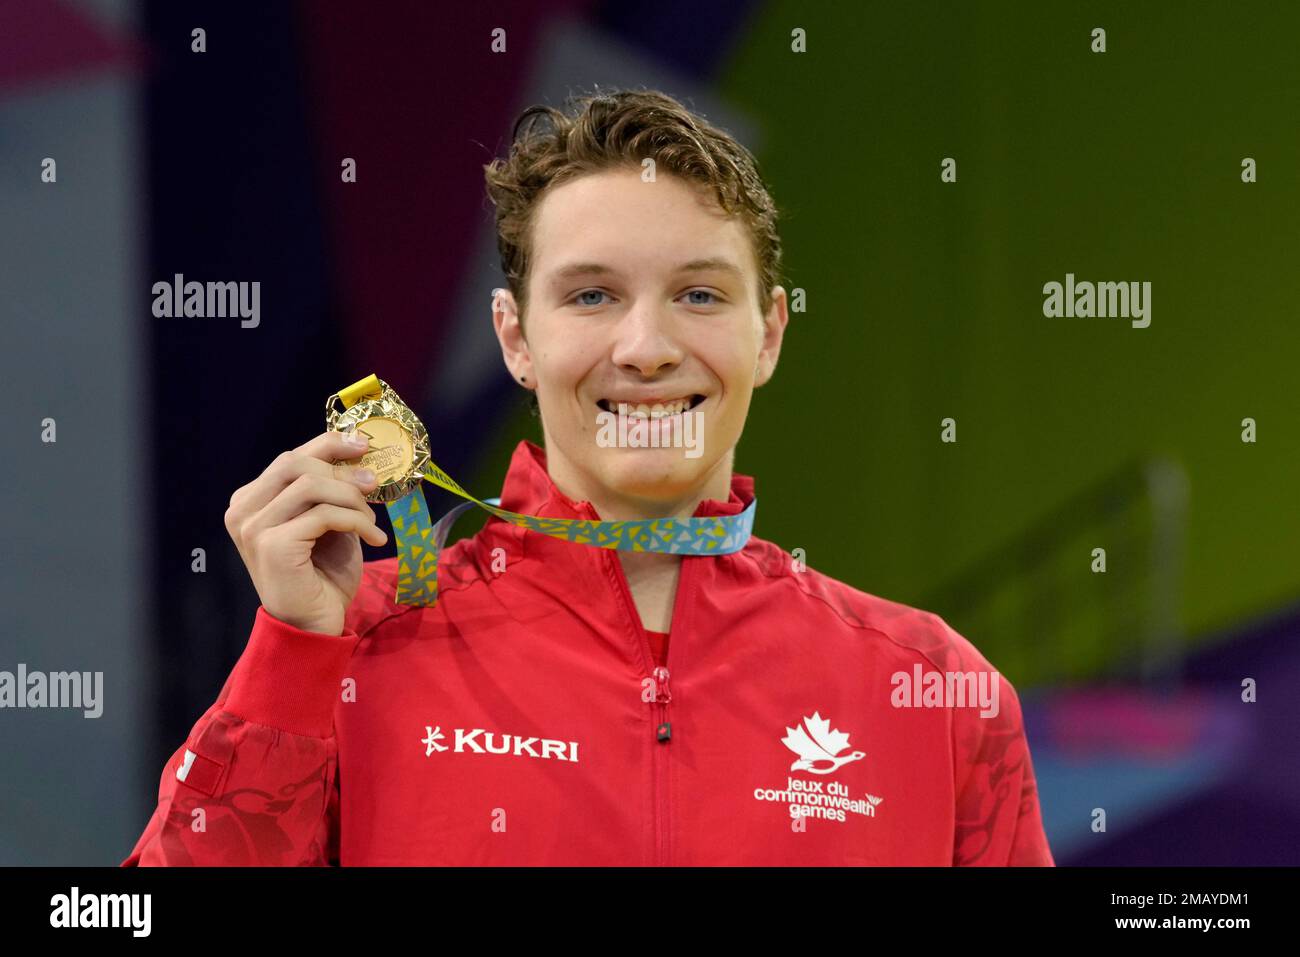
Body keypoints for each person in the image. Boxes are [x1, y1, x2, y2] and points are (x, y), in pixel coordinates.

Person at [123, 88, 1054, 866]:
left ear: (767, 333)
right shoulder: (353, 646)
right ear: (516, 338)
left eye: (698, 294)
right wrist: (290, 657)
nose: (646, 348)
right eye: (592, 295)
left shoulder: (932, 690)